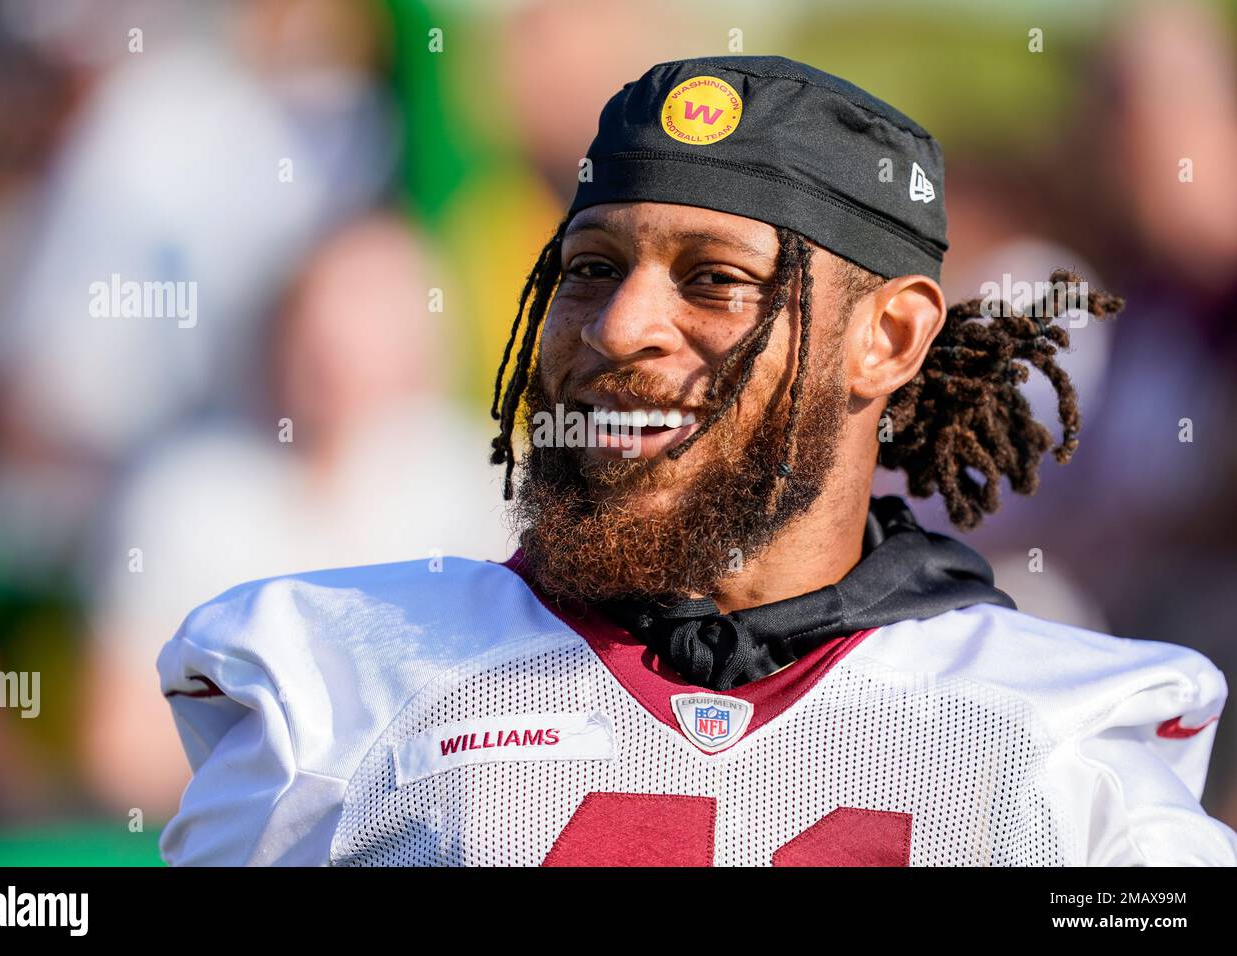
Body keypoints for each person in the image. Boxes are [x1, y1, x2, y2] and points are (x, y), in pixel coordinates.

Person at [156, 56, 1236, 866]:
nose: (617, 328)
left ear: (891, 339)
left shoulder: (1063, 731)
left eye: (715, 280)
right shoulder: (331, 681)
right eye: (588, 268)